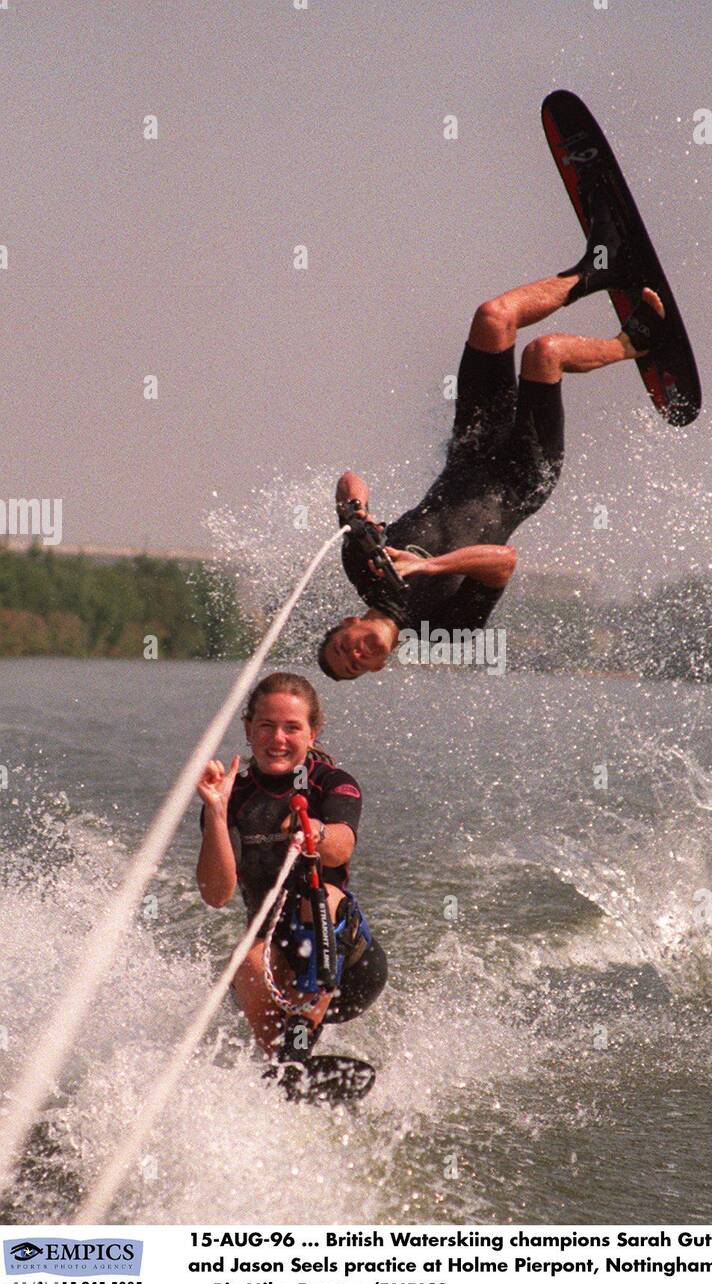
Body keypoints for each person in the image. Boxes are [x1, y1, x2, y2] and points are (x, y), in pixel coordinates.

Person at [317, 242, 666, 680]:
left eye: (342, 648)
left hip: (471, 452)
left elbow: (350, 479)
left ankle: (597, 269)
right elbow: (504, 560)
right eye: (355, 667)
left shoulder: (362, 567)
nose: (356, 654)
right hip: (521, 478)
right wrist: (428, 565)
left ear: (349, 625)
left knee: (492, 317)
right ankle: (631, 344)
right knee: (545, 353)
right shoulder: (443, 629)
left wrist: (356, 515)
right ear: (380, 664)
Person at [195, 671, 386, 1093]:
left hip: (347, 970)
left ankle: (295, 1051)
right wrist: (217, 813)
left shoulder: (332, 783)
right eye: (266, 726)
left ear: (312, 731)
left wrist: (314, 831)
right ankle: (283, 1072)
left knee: (323, 899)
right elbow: (216, 893)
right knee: (246, 956)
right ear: (248, 729)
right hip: (271, 969)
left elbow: (342, 847)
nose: (277, 738)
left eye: (292, 727)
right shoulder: (234, 796)